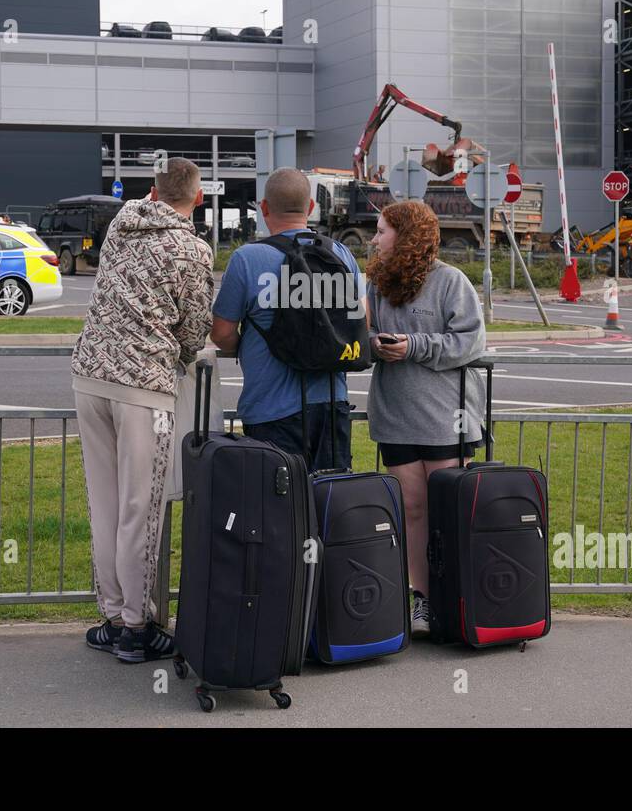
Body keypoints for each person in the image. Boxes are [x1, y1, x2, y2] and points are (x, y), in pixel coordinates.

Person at [71, 157, 213, 663]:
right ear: (196, 198)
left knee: (104, 505)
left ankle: (112, 616)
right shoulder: (191, 251)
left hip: (90, 375)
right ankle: (137, 626)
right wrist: (182, 353)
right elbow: (194, 331)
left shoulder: (120, 227)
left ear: (152, 190)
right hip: (143, 386)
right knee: (140, 509)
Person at [365, 200, 486, 637]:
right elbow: (363, 333)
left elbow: (471, 342)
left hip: (444, 418)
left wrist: (414, 346)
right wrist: (375, 343)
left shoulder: (451, 282)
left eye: (381, 231)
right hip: (396, 415)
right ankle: (421, 599)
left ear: (407, 236)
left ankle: (457, 595)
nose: (375, 239)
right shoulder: (377, 283)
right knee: (411, 509)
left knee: (447, 510)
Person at [210, 167, 366, 470]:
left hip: (270, 409)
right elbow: (362, 319)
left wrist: (246, 344)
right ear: (310, 207)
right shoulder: (341, 253)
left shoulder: (247, 259)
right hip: (332, 404)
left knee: (278, 507)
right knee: (328, 502)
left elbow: (221, 332)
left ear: (264, 207)